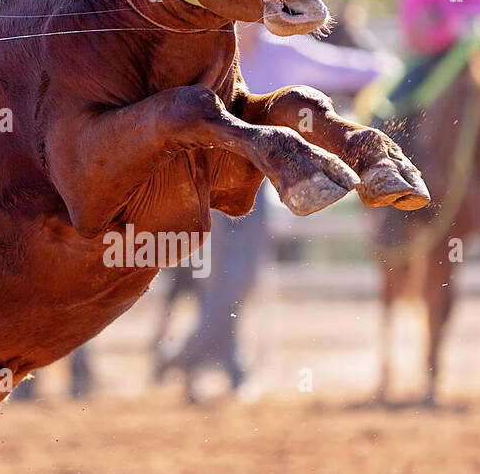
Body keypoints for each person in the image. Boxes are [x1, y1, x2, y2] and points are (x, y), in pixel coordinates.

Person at [154, 20, 396, 401]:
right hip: (204, 189)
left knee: (240, 279)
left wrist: (388, 69)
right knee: (221, 282)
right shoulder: (208, 54)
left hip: (254, 193)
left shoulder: (281, 54)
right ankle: (214, 366)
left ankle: (185, 358)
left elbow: (343, 66)